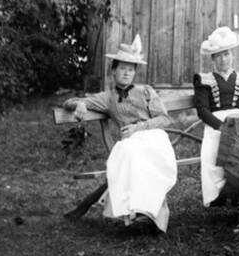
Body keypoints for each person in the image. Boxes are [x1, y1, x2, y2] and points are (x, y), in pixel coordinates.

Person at [64, 35, 177, 232]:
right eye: (123, 68)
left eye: (131, 69)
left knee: (134, 153)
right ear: (114, 71)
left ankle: (148, 212)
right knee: (128, 152)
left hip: (153, 136)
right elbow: (68, 102)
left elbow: (165, 119)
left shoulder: (146, 91)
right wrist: (80, 103)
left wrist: (139, 127)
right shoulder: (107, 98)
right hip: (132, 141)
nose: (126, 73)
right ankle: (137, 212)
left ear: (135, 73)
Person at [193, 26, 239, 207]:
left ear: (232, 56)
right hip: (216, 124)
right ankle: (217, 195)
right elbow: (203, 110)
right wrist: (221, 126)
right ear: (213, 58)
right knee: (212, 156)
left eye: (227, 54)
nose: (223, 59)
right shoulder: (204, 79)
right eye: (219, 55)